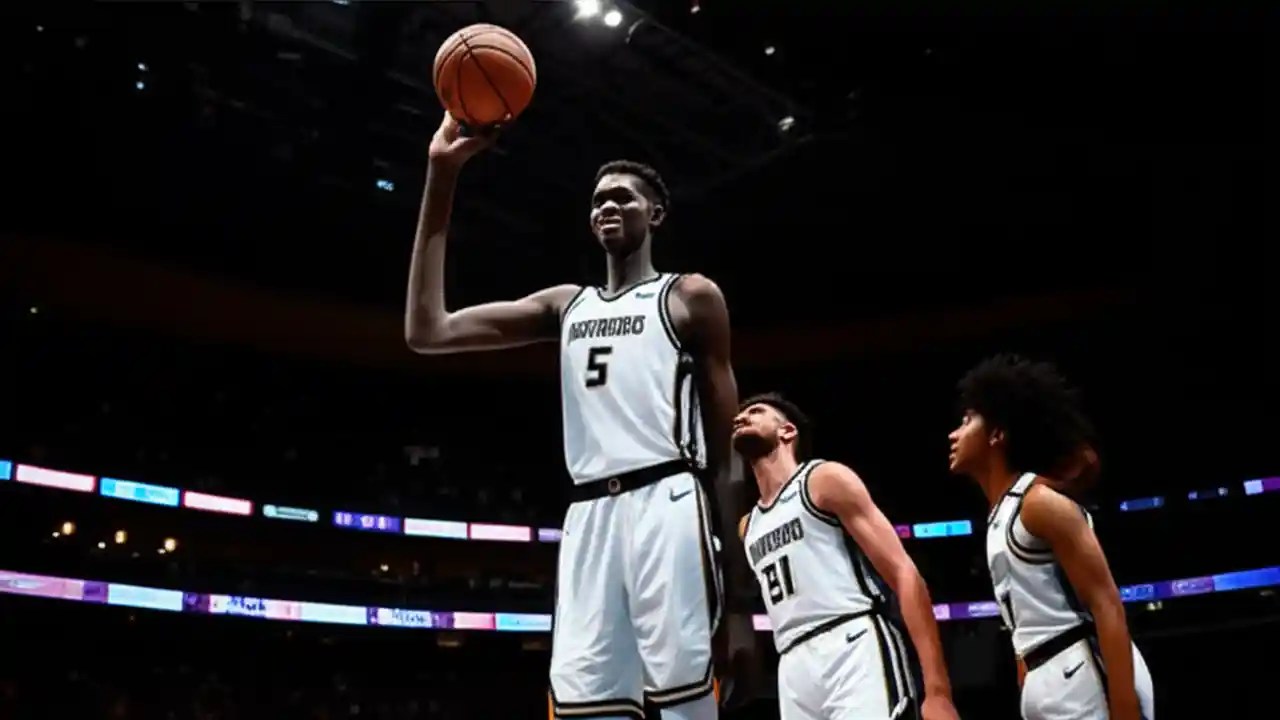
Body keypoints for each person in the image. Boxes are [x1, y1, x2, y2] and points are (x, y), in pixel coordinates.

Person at [405, 114, 757, 720]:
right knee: (584, 706)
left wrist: (739, 603)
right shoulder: (566, 304)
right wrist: (442, 173)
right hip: (588, 516)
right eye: (597, 201)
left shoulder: (690, 297)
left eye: (623, 197)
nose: (607, 207)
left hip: (669, 499)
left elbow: (727, 458)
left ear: (657, 214)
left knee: (686, 703)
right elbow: (427, 330)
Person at [948, 354, 1155, 720]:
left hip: (1085, 674)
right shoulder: (1000, 516)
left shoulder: (1040, 504)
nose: (954, 434)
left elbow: (1106, 603)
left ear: (997, 433)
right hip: (1045, 681)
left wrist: (1125, 707)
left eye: (967, 421)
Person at [732, 393, 960, 720]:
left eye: (755, 412)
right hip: (792, 664)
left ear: (787, 432)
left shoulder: (823, 480)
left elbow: (904, 572)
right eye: (738, 416)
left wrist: (938, 690)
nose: (741, 418)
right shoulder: (748, 526)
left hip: (851, 642)